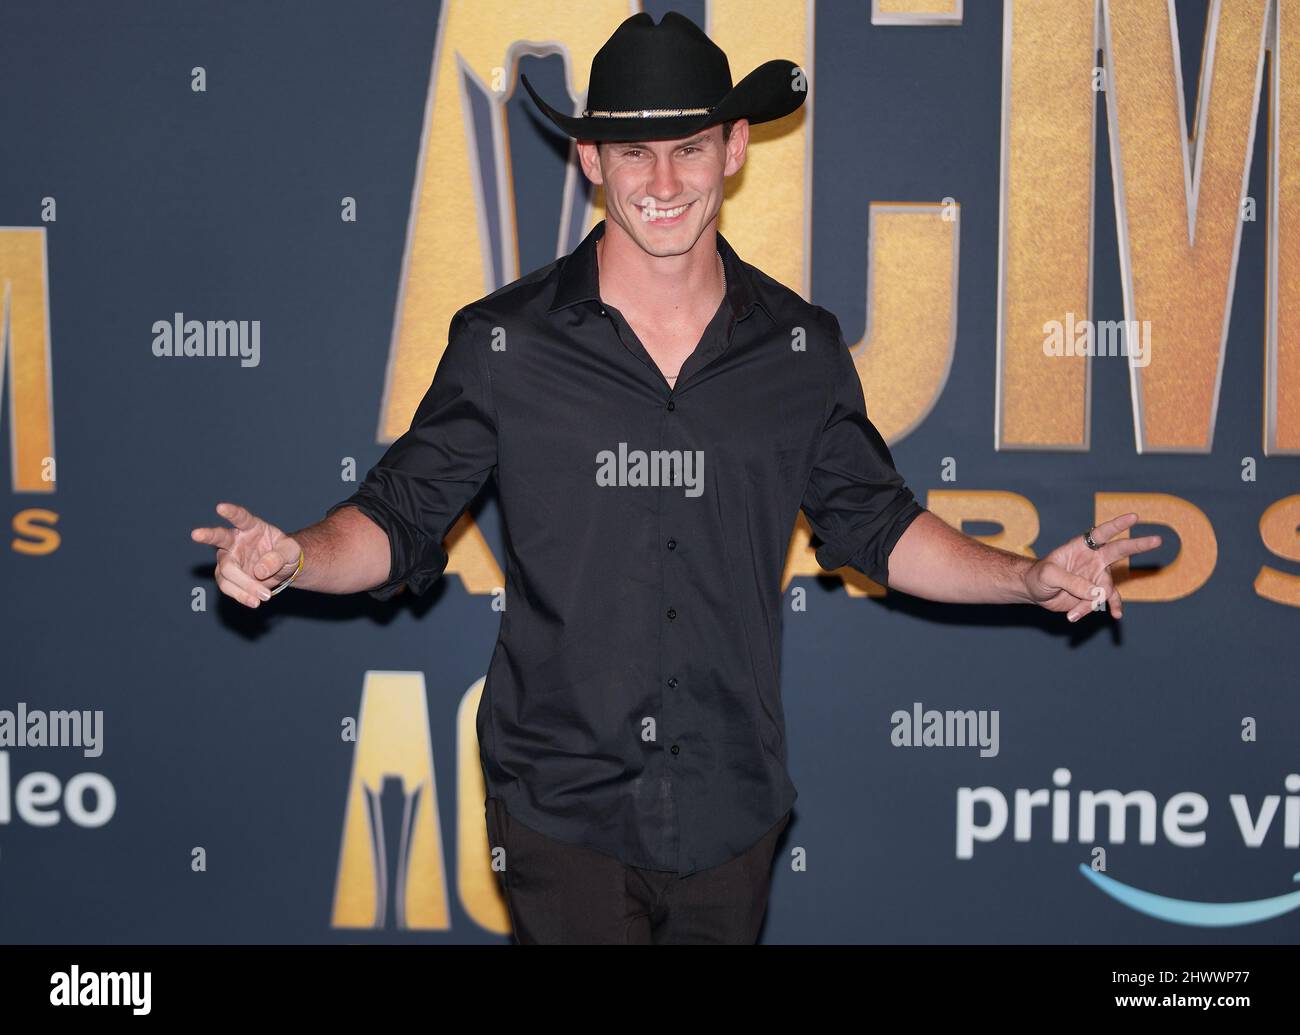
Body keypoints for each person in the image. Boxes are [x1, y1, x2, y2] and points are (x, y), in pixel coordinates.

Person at [190, 12, 1162, 944]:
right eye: (632, 152)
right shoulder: (506, 345)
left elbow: (878, 528)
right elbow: (398, 518)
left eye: (688, 146)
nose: (661, 179)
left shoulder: (798, 349)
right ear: (589, 161)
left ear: (734, 148)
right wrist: (294, 559)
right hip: (561, 804)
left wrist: (1028, 578)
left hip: (729, 808)